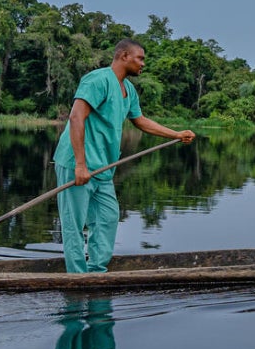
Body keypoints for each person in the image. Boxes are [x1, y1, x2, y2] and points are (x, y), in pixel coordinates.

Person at [54, 38, 195, 273]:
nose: (143, 64)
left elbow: (141, 121)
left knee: (108, 218)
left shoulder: (128, 90)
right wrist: (80, 165)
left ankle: (96, 271)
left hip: (103, 168)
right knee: (74, 223)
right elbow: (76, 117)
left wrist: (177, 134)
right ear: (124, 56)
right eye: (140, 58)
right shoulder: (98, 80)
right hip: (77, 162)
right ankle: (77, 276)